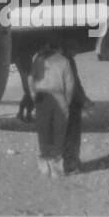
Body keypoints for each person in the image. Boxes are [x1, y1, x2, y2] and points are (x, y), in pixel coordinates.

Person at [29, 39, 73, 178]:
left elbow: (31, 78)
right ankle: (57, 169)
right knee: (59, 133)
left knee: (44, 132)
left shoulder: (38, 59)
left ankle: (44, 167)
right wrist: (67, 102)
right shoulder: (64, 61)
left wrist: (33, 96)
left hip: (42, 97)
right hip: (59, 97)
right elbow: (70, 84)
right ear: (59, 48)